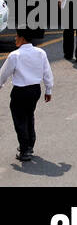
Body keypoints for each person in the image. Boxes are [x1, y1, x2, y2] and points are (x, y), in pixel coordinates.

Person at [0, 30, 53, 162]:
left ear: (23, 38)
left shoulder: (15, 55)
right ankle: (30, 144)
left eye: (17, 36)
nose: (15, 38)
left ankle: (24, 150)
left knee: (19, 120)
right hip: (35, 90)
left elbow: (3, 74)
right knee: (29, 115)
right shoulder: (41, 53)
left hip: (20, 92)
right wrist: (48, 90)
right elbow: (47, 72)